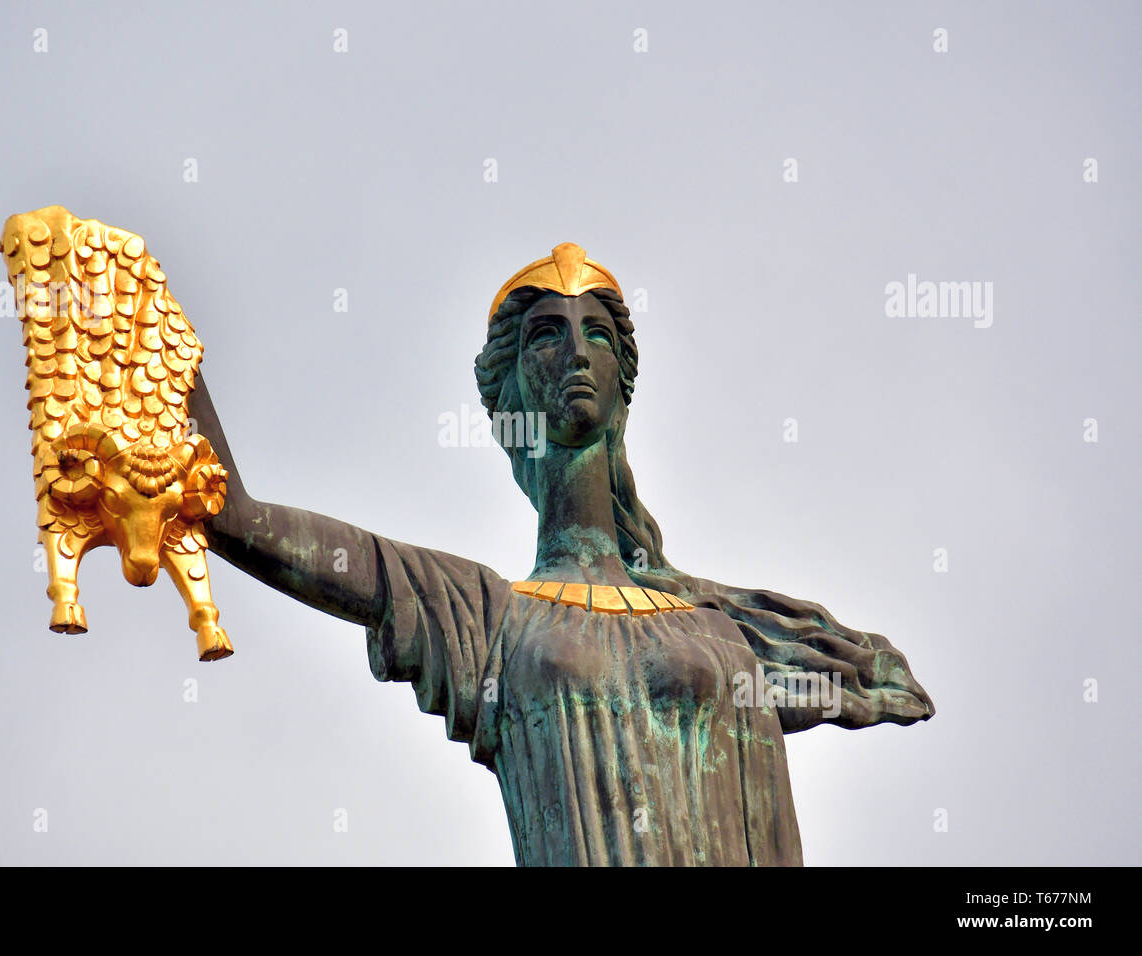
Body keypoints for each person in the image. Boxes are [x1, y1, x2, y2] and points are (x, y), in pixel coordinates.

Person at [188, 242, 934, 866]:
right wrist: (154, 328)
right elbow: (233, 515)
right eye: (548, 333)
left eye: (598, 335)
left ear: (621, 382)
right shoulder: (483, 620)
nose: (578, 351)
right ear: (509, 388)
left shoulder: (719, 624)